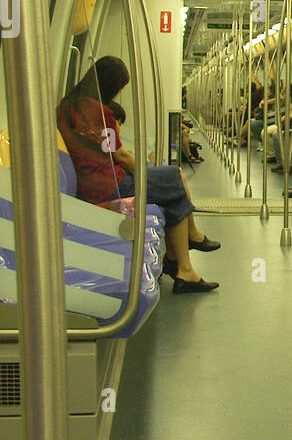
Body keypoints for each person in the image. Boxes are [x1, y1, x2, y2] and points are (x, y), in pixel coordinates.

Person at [58, 57, 220, 294]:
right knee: (175, 177)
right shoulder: (100, 113)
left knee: (173, 193)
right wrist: (145, 170)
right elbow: (120, 156)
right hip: (108, 186)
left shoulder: (66, 107)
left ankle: (183, 267)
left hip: (88, 182)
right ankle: (188, 248)